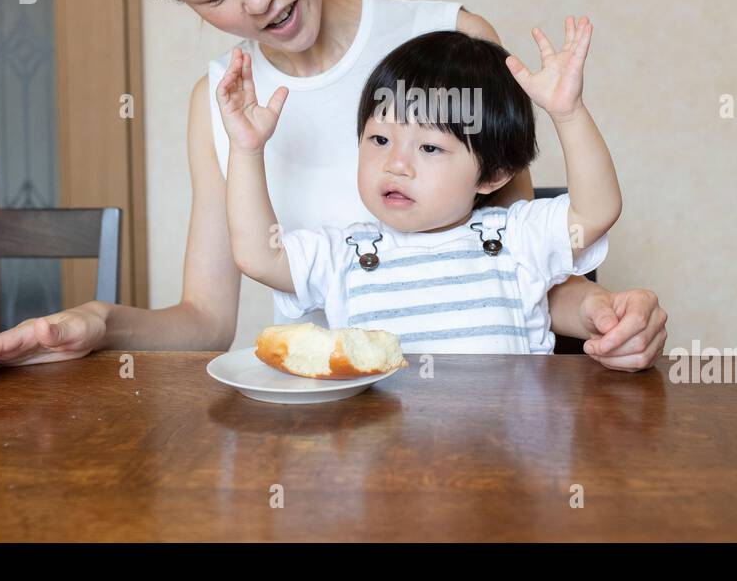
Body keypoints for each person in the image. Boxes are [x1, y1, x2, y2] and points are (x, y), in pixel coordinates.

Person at [0, 0, 668, 394]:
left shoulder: (451, 39)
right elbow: (206, 325)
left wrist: (615, 317)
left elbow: (512, 259)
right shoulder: (223, 106)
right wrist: (97, 321)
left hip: (484, 430)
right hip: (338, 434)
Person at [217, 23, 617, 353]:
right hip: (381, 449)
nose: (396, 164)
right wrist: (247, 149)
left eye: (429, 147)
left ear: (492, 175)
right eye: (379, 140)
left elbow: (596, 212)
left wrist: (569, 114)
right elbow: (259, 257)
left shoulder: (516, 238)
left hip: (502, 449)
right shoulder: (348, 255)